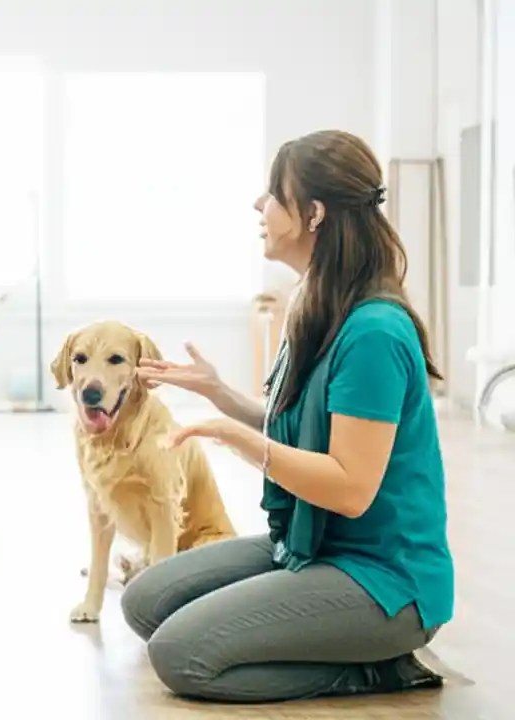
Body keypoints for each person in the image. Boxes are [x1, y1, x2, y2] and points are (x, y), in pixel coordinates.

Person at [125, 129, 452, 703]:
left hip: (385, 581)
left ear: (314, 213)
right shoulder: (318, 302)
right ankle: (310, 632)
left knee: (180, 656)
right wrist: (221, 395)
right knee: (144, 602)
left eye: (274, 194)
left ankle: (381, 667)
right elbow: (305, 436)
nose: (259, 206)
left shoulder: (373, 332)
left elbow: (349, 489)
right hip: (313, 548)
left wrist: (237, 441)